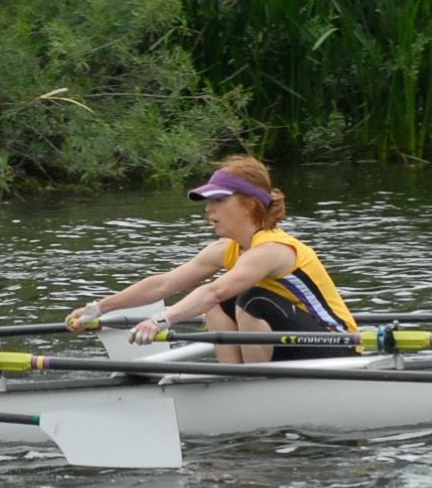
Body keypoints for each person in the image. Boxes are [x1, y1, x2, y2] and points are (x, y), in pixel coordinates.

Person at [64, 155, 359, 363]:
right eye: (209, 202)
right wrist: (99, 308)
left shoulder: (273, 249)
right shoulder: (225, 250)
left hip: (336, 347)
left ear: (249, 204)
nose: (209, 210)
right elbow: (163, 284)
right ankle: (235, 379)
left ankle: (254, 388)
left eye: (219, 200)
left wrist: (160, 320)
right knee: (219, 305)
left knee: (252, 298)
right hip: (288, 344)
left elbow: (214, 289)